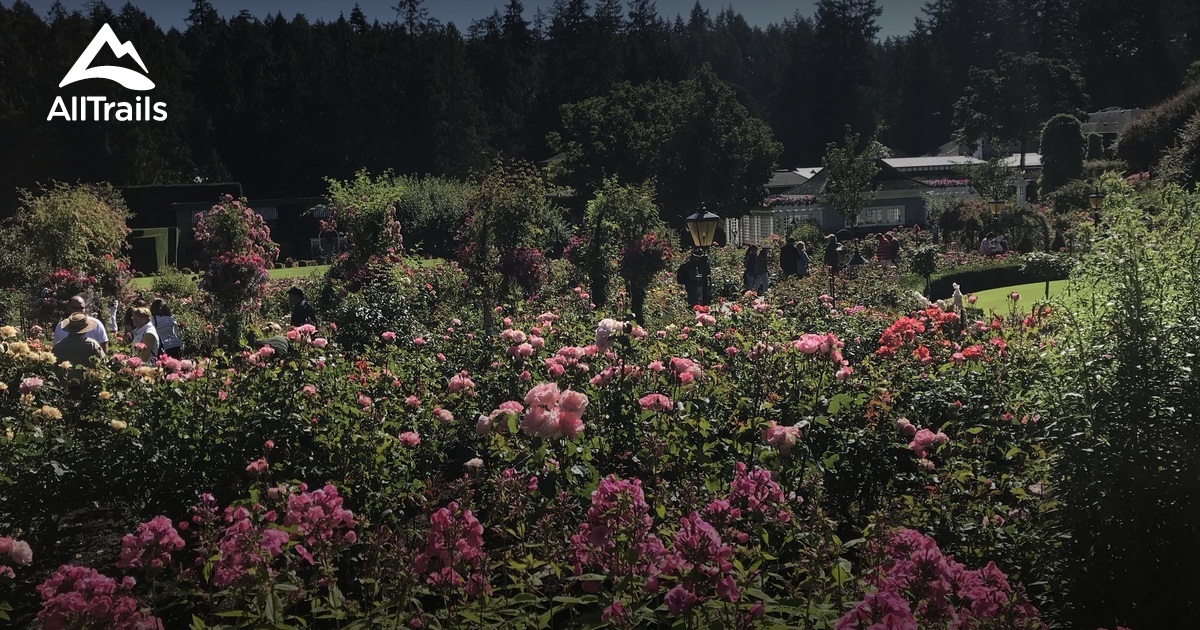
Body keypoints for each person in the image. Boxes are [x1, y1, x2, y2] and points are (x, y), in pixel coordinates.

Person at [52, 313, 106, 383]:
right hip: (87, 387)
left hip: (64, 388)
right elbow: (103, 364)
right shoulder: (92, 345)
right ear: (86, 328)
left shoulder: (58, 346)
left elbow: (53, 370)